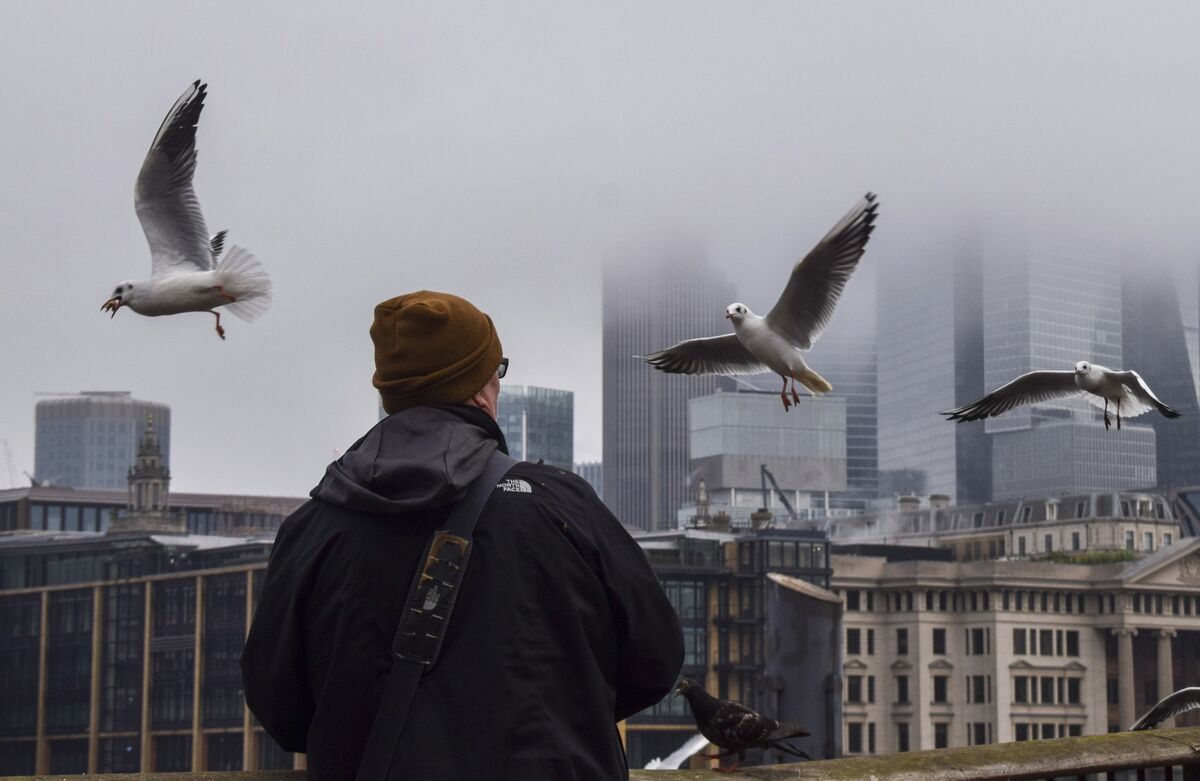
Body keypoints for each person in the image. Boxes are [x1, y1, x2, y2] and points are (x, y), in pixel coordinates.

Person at [241, 291, 684, 781]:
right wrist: (565, 720)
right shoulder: (560, 505)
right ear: (479, 387)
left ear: (391, 392)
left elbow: (276, 701)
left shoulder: (313, 528)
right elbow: (656, 658)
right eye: (498, 369)